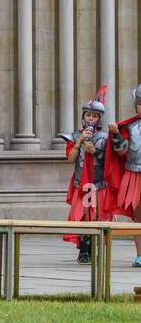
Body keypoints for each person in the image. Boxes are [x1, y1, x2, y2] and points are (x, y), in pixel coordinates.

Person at [60, 89, 110, 264]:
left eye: (94, 116)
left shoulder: (104, 138)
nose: (90, 118)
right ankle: (83, 249)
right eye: (88, 115)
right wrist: (79, 141)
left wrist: (94, 151)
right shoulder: (74, 136)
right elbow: (70, 158)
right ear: (83, 116)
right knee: (81, 216)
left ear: (99, 119)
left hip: (98, 183)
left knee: (97, 216)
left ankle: (97, 249)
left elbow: (109, 162)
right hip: (81, 183)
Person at [107, 85, 141, 267]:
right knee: (138, 217)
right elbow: (122, 151)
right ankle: (140, 256)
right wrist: (115, 134)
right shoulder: (130, 127)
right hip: (135, 175)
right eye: (140, 103)